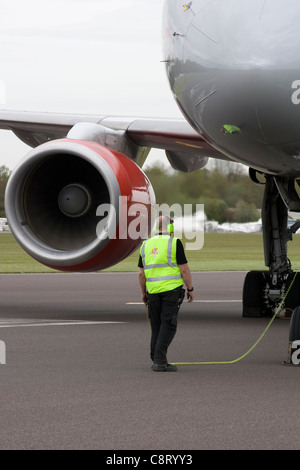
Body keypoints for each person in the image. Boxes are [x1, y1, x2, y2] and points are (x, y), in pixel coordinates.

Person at [138, 215, 194, 372]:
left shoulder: (145, 245)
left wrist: (143, 293)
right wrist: (190, 289)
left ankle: (155, 356)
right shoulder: (174, 242)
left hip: (153, 291)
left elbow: (141, 274)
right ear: (170, 228)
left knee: (156, 325)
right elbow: (184, 269)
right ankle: (160, 360)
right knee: (168, 324)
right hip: (171, 291)